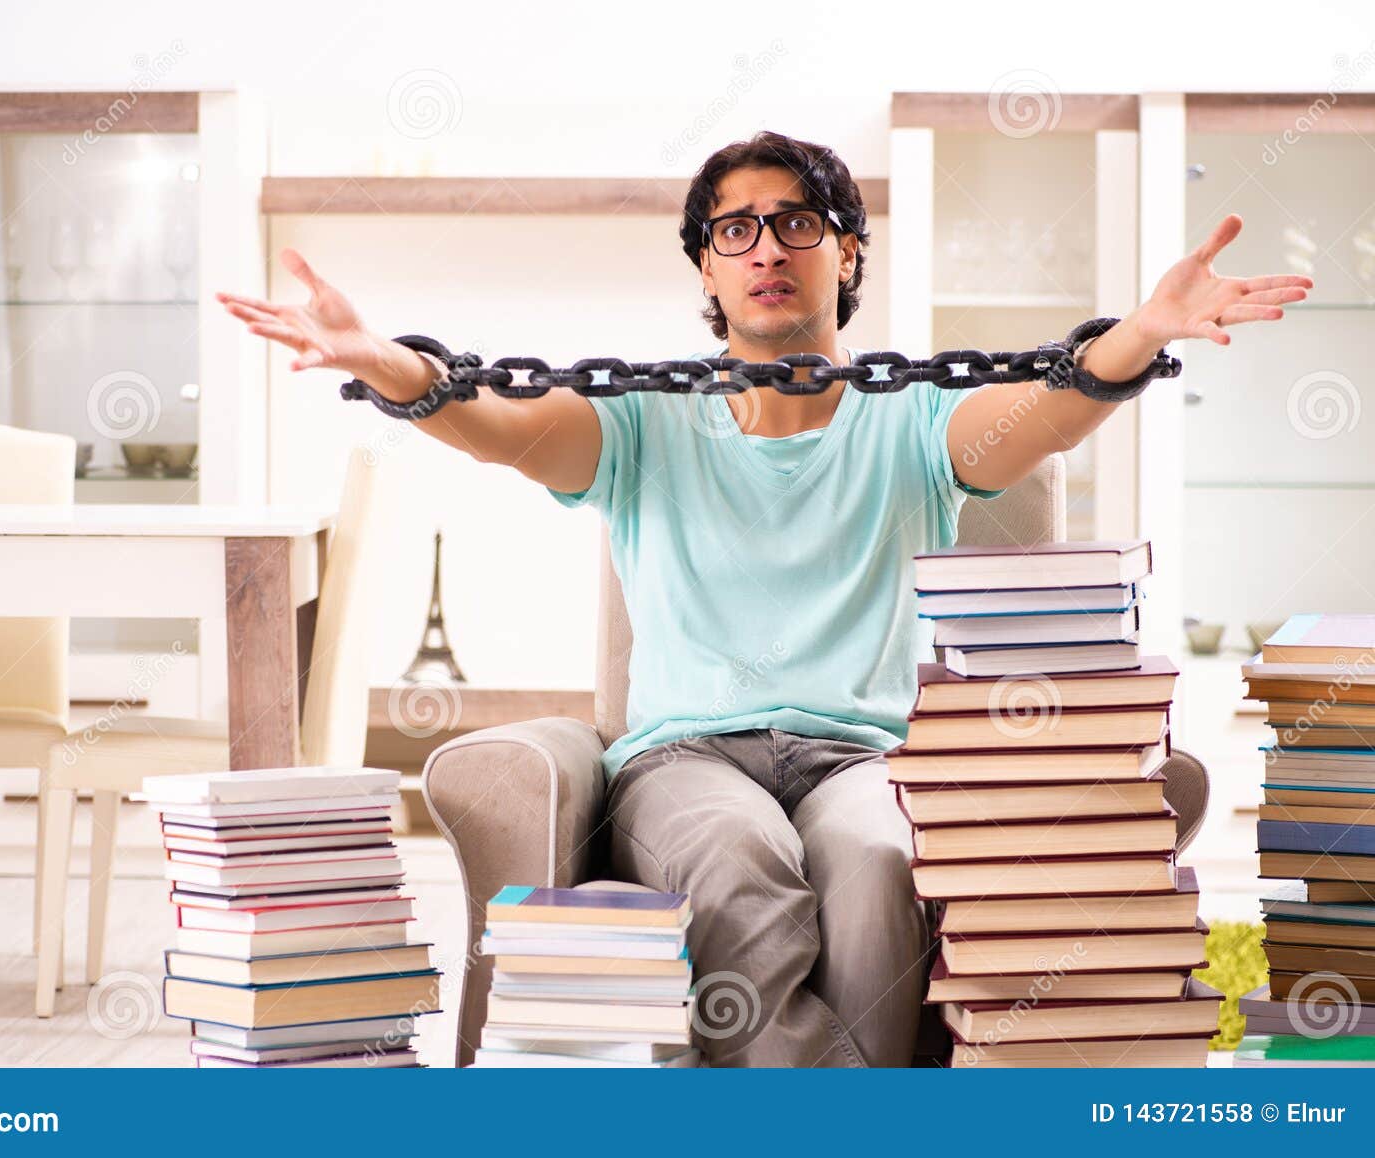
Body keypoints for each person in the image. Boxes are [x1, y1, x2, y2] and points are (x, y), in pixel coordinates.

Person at [218, 130, 1311, 1067]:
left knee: (881, 867)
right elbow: (492, 426)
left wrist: (1140, 335)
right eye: (734, 229)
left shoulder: (914, 426)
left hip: (866, 758)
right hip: (686, 760)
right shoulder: (640, 426)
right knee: (741, 860)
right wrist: (386, 363)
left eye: (797, 222)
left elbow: (1047, 417)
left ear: (847, 251)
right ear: (705, 267)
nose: (766, 248)